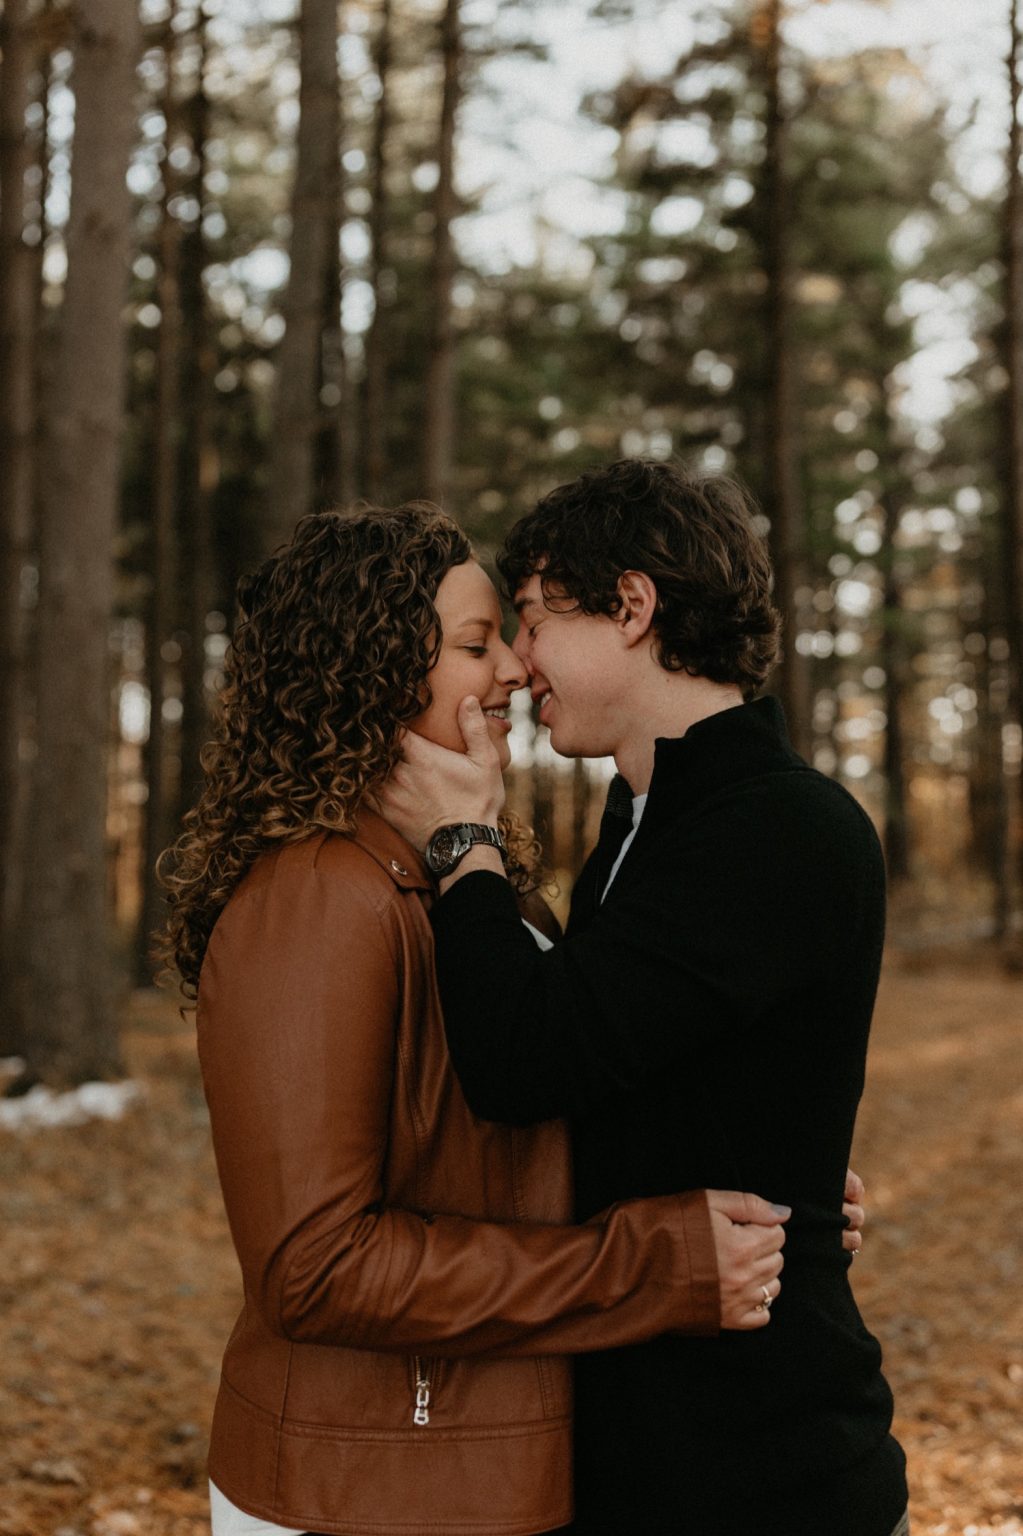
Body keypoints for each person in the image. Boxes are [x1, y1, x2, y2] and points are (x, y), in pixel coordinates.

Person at [158, 501, 800, 1536]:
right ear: (372, 675)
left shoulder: (452, 876)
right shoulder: (319, 895)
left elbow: (528, 1111)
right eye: (476, 643)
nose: (513, 669)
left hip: (470, 1472)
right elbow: (314, 1268)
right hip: (363, 1490)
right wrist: (651, 1264)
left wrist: (756, 1157)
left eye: (510, 635)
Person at [378, 459, 909, 1536]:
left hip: (768, 1474)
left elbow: (529, 1057)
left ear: (632, 606)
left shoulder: (779, 828)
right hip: (647, 1449)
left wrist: (465, 844)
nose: (520, 668)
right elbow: (640, 1055)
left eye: (531, 620)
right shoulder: (640, 819)